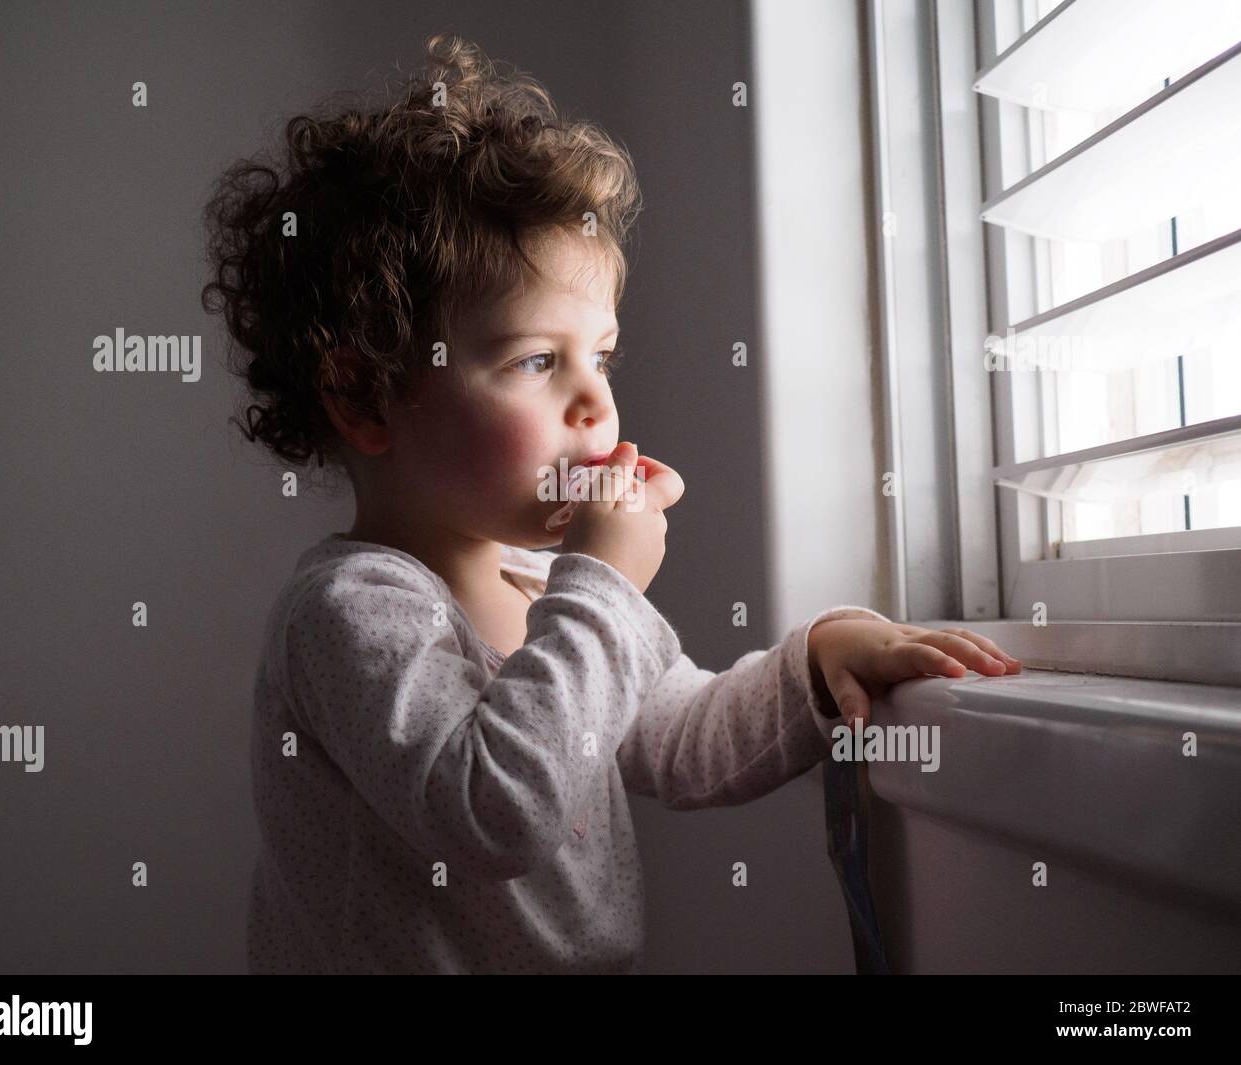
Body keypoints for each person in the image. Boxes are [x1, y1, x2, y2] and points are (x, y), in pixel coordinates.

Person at [202, 32, 1022, 974]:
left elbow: (683, 737)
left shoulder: (550, 583)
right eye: (538, 361)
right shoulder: (351, 611)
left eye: (603, 355)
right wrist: (599, 584)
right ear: (366, 397)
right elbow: (492, 811)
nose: (596, 400)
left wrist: (812, 663)